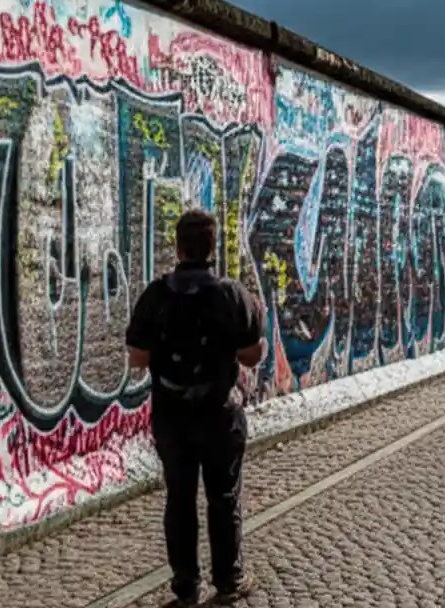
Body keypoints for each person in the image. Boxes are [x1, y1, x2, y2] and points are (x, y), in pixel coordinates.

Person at [125, 209, 265, 606]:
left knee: (180, 498)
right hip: (220, 414)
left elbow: (137, 357)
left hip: (172, 416)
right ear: (212, 246)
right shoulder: (233, 294)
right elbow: (252, 356)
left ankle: (186, 586)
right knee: (224, 498)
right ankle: (228, 580)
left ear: (178, 246)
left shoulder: (156, 295)